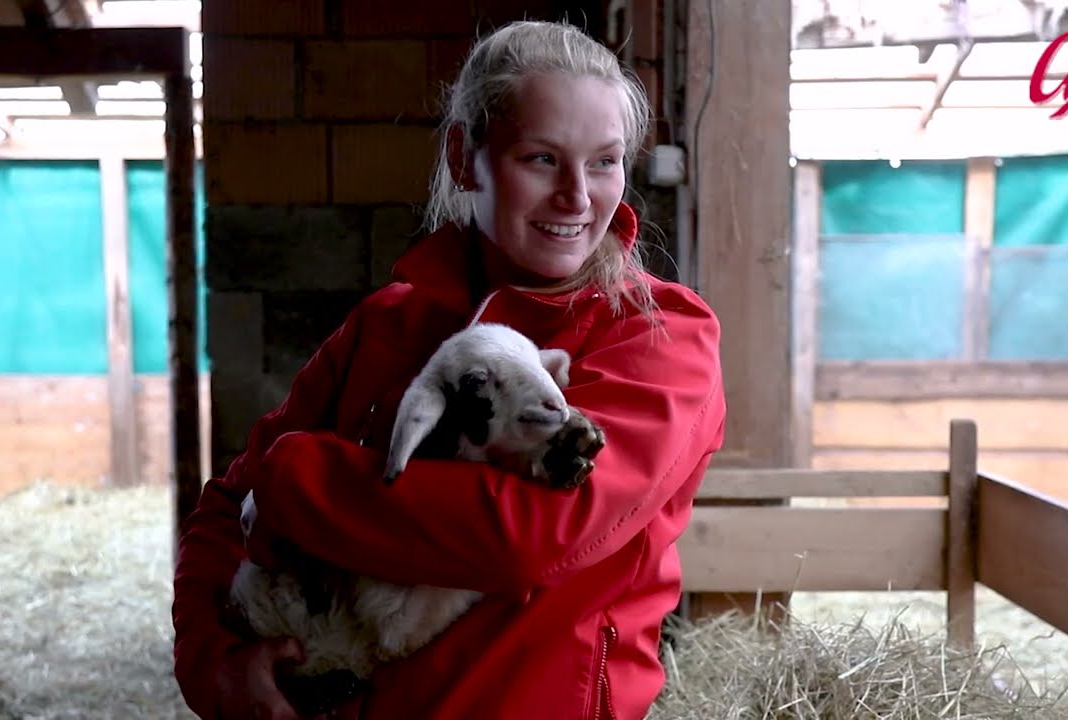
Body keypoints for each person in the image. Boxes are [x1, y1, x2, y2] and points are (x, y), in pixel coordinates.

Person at [172, 18, 727, 720]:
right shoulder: (388, 322)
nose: (578, 197)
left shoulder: (657, 336)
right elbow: (227, 501)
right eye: (540, 158)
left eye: (604, 161)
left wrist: (294, 482)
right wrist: (211, 663)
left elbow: (529, 537)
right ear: (468, 158)